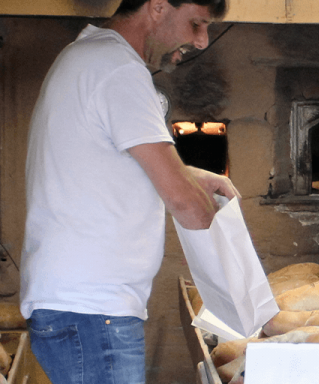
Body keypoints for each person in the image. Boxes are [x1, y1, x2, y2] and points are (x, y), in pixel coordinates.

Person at [20, 0, 237, 382]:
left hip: (80, 307)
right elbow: (184, 202)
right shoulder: (118, 69)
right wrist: (239, 286)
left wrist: (192, 177)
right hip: (91, 312)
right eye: (196, 24)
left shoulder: (91, 57)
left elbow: (114, 160)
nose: (202, 41)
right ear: (157, 7)